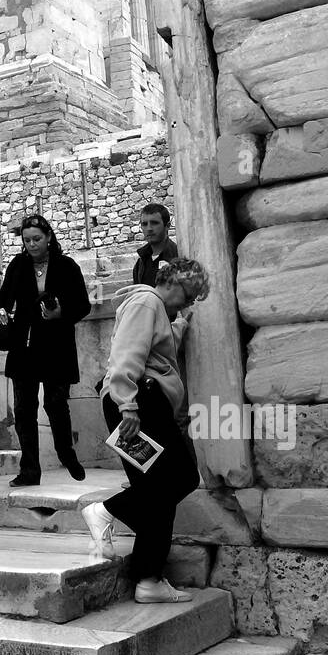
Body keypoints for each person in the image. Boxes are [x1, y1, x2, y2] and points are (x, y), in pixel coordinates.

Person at [82, 257, 209, 603]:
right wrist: (128, 405)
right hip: (139, 402)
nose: (188, 302)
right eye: (189, 294)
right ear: (172, 282)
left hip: (142, 401)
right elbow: (127, 356)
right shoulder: (146, 301)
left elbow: (159, 353)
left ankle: (148, 580)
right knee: (181, 477)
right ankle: (106, 510)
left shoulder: (156, 310)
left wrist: (180, 325)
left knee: (158, 492)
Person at [0, 213, 91, 488]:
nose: (32, 244)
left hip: (57, 346)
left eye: (36, 239)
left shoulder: (67, 266)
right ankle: (30, 470)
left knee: (56, 404)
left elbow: (83, 305)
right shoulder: (18, 265)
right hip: (25, 345)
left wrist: (60, 313)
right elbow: (3, 299)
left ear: (48, 238)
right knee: (24, 410)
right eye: (26, 240)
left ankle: (66, 453)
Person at [132, 203, 179, 287]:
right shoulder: (140, 263)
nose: (149, 228)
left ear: (167, 226)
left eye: (154, 223)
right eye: (144, 224)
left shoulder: (177, 258)